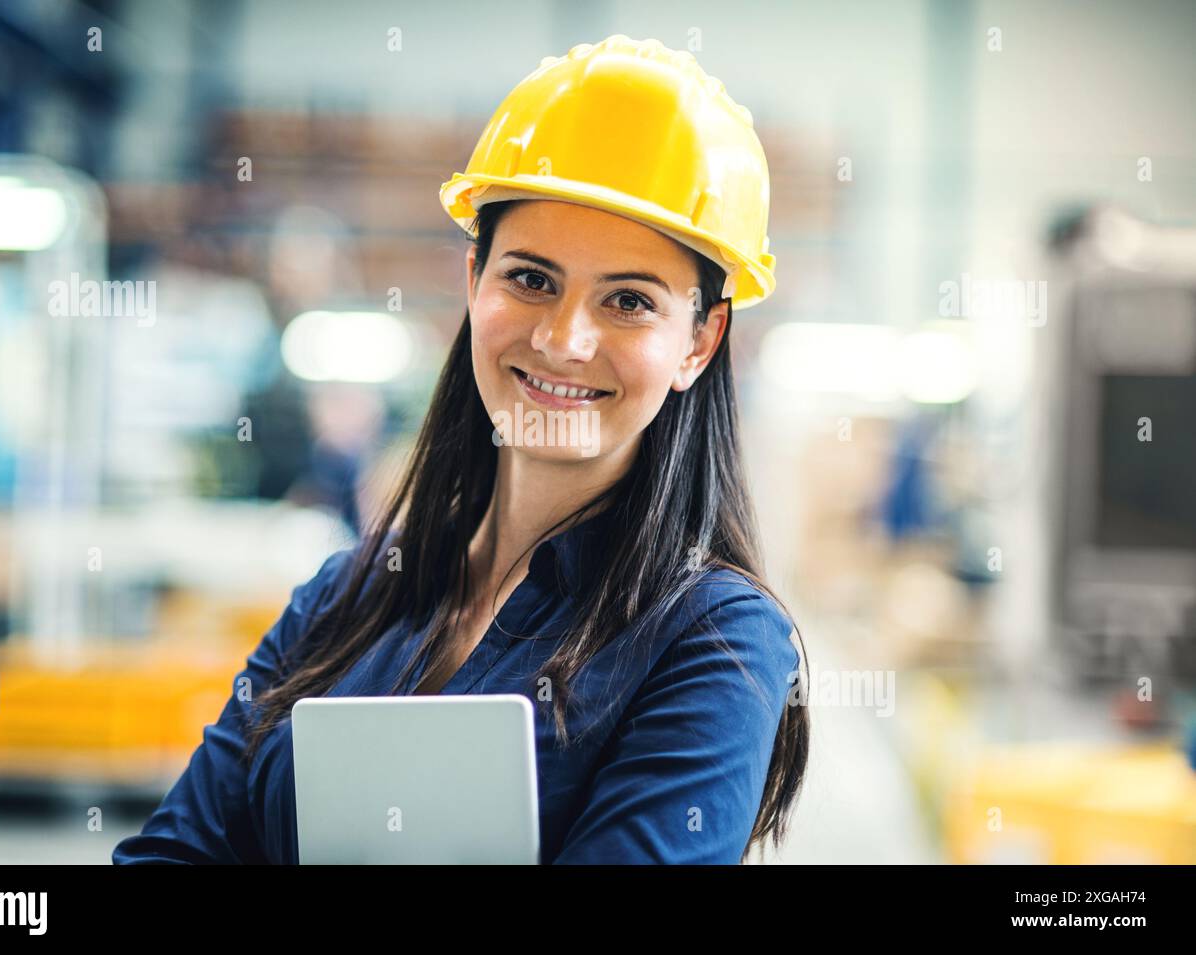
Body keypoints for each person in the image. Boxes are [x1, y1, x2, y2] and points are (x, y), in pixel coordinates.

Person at [113, 34, 809, 865]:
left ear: (700, 341)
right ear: (472, 277)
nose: (564, 340)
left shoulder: (715, 641)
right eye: (532, 278)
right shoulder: (349, 593)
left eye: (628, 301)